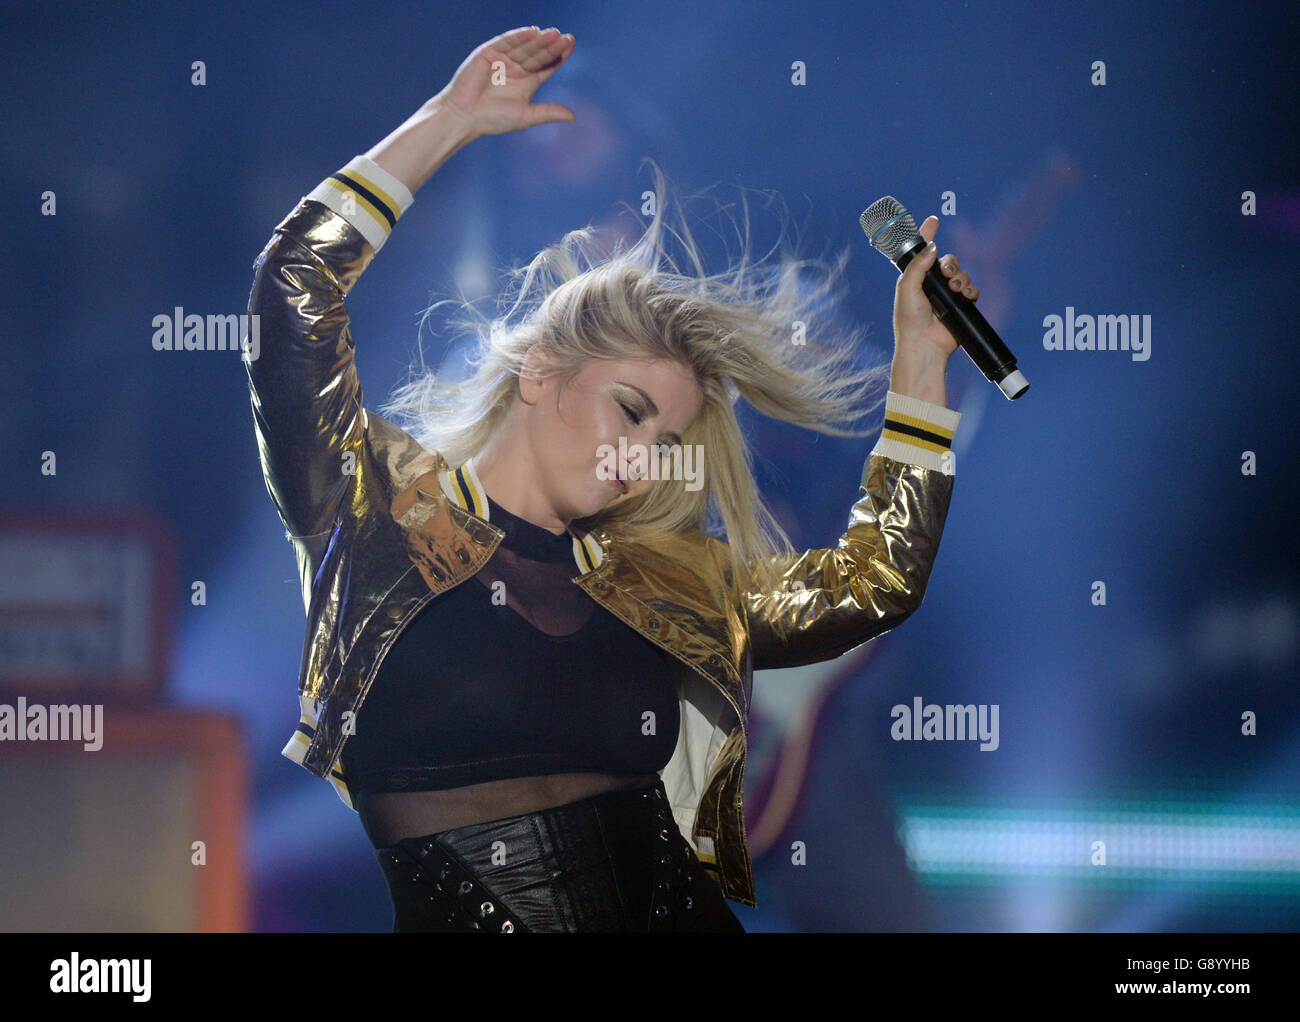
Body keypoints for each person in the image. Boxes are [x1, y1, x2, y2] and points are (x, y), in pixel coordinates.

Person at [244, 25, 976, 932]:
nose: (644, 456)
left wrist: (922, 362)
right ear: (541, 372)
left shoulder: (662, 575)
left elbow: (876, 580)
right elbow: (293, 289)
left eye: (667, 439)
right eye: (631, 411)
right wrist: (449, 120)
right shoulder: (378, 513)